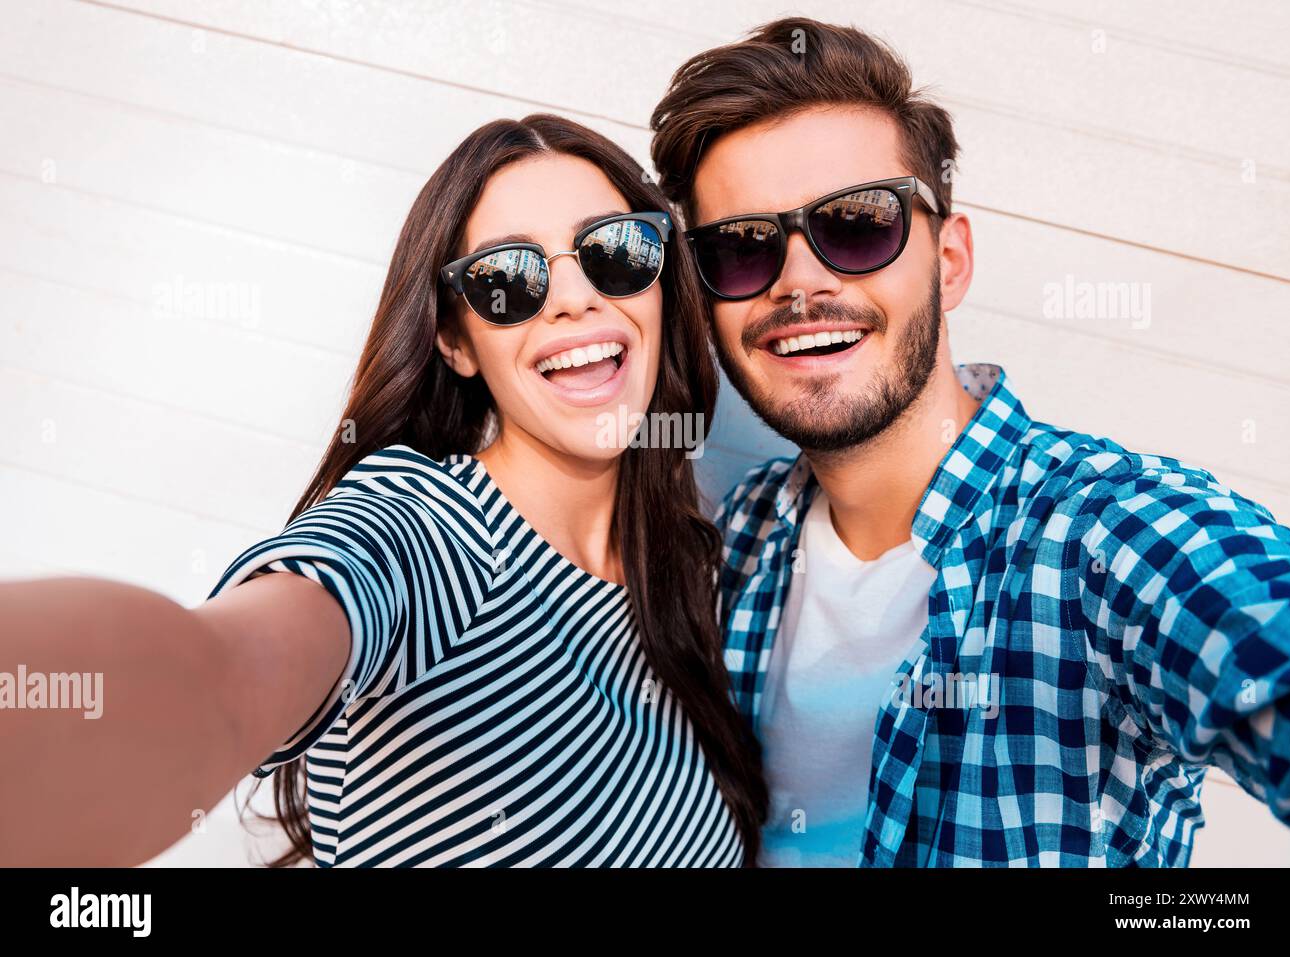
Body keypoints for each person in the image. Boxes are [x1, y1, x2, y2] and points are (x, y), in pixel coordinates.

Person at [0, 114, 766, 868]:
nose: (574, 300)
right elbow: (215, 676)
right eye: (506, 278)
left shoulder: (687, 562)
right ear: (456, 342)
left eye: (615, 252)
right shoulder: (435, 530)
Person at [649, 17, 1290, 866]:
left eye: (855, 224)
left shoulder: (1101, 535)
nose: (801, 282)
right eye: (741, 249)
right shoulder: (737, 537)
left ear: (949, 261)